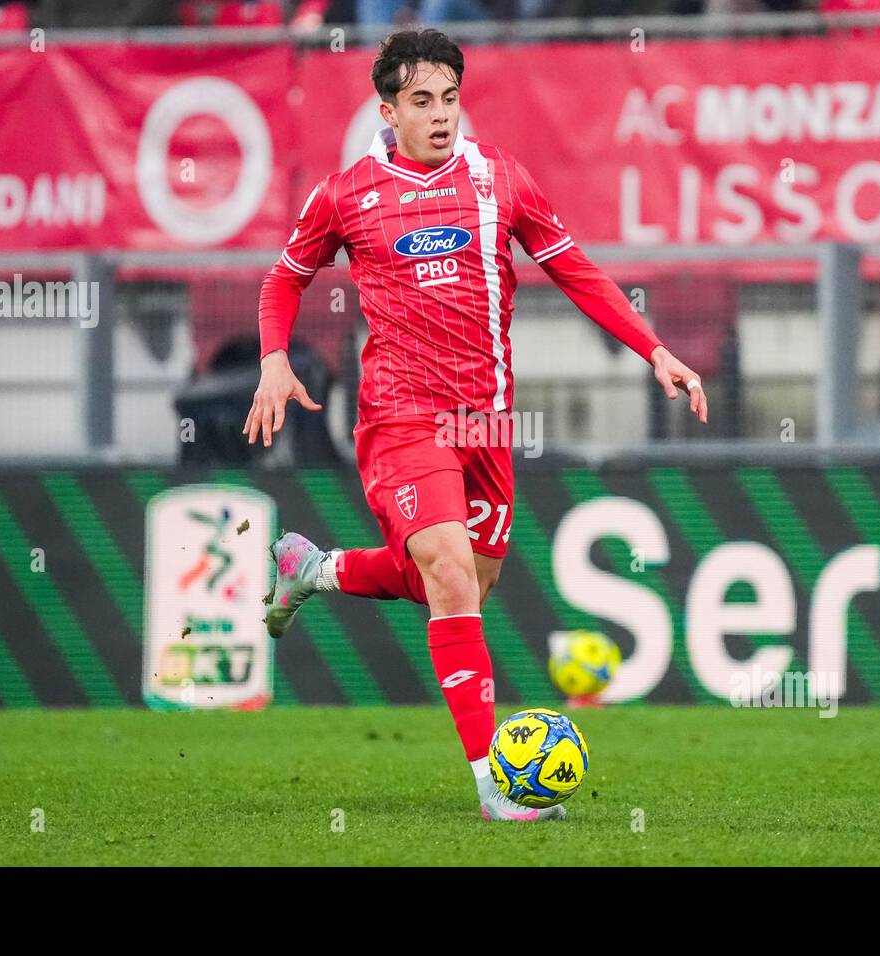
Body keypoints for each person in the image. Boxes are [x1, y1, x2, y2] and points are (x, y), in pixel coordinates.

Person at [242, 29, 707, 822]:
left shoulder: (500, 179)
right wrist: (273, 358)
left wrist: (653, 349)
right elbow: (285, 277)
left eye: (450, 98)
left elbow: (576, 268)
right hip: (399, 416)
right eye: (422, 101)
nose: (441, 115)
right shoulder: (347, 194)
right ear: (387, 110)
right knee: (452, 575)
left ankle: (314, 570)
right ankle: (496, 786)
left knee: (455, 586)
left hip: (486, 424)